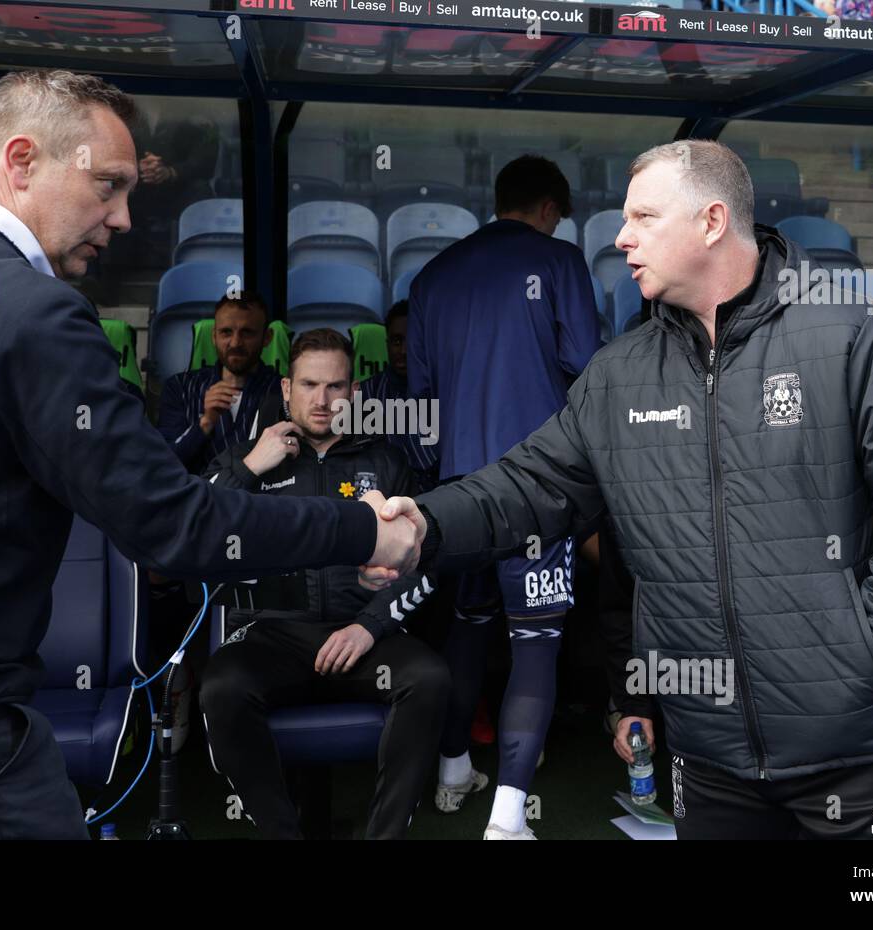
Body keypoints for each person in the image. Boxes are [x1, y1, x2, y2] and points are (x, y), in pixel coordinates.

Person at [0, 70, 420, 840]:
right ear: (22, 161)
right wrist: (365, 530)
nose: (125, 217)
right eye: (107, 186)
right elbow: (176, 526)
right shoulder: (33, 315)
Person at [368, 140, 873, 840]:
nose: (621, 237)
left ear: (712, 220)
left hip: (860, 751)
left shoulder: (861, 335)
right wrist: (424, 524)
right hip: (708, 757)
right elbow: (527, 486)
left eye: (644, 217)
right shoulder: (619, 373)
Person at [408, 154, 600, 839]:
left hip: (460, 492)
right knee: (536, 642)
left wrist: (441, 480)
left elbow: (421, 405)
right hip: (539, 488)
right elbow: (589, 373)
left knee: (468, 627)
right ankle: (509, 818)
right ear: (548, 208)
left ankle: (454, 768)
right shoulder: (559, 262)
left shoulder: (431, 277)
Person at [199, 329, 449, 839]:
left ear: (354, 393)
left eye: (335, 386)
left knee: (428, 679)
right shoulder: (246, 457)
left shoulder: (385, 461)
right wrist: (249, 469)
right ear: (286, 388)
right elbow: (194, 530)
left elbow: (426, 563)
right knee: (222, 686)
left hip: (360, 634)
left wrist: (369, 626)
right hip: (272, 634)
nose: (321, 399)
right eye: (309, 385)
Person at [157, 291, 281, 474]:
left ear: (267, 337)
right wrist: (205, 422)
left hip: (258, 500)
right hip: (196, 497)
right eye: (226, 332)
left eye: (247, 333)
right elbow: (164, 465)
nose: (235, 342)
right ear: (214, 336)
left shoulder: (283, 391)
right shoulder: (181, 388)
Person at [358, 300, 440, 492]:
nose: (403, 351)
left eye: (411, 341)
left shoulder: (446, 390)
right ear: (387, 344)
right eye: (396, 341)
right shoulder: (367, 394)